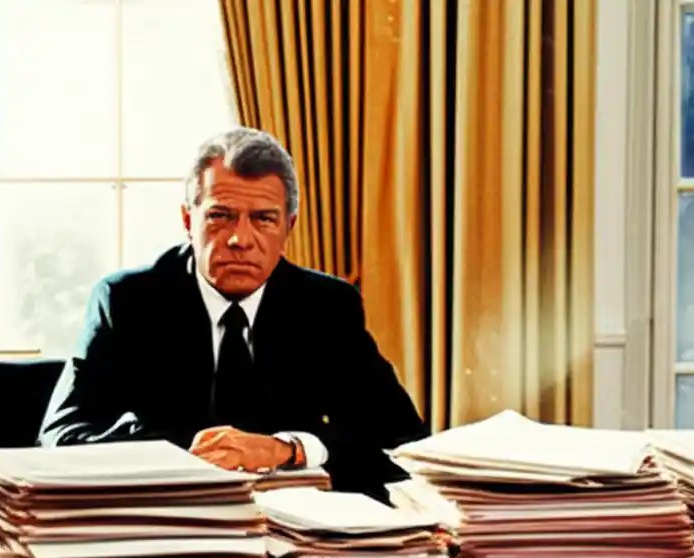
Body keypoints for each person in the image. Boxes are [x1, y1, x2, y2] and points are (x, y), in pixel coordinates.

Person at [39, 127, 427, 499]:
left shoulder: (326, 306)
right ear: (188, 221)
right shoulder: (127, 301)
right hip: (165, 524)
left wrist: (289, 449)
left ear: (288, 228)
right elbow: (61, 435)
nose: (241, 239)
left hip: (293, 534)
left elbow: (402, 445)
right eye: (220, 216)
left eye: (263, 218)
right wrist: (179, 453)